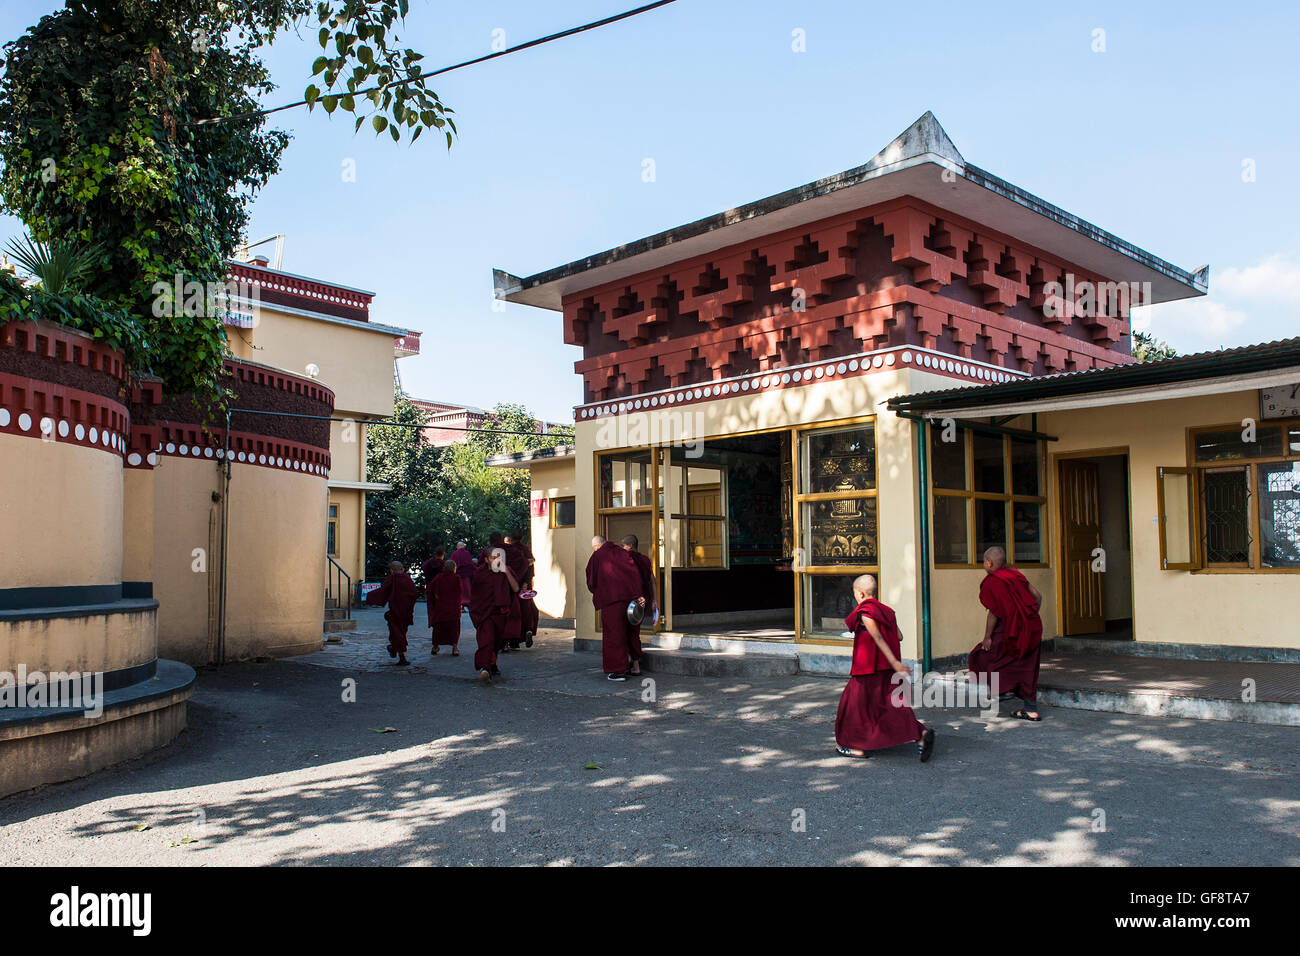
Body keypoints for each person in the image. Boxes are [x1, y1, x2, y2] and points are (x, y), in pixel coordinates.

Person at [835, 574, 935, 761]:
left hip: (868, 668)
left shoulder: (866, 612)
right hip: (886, 669)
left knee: (853, 707)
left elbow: (878, 638)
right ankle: (920, 735)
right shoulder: (886, 611)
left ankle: (856, 747)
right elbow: (898, 636)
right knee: (890, 706)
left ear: (861, 593)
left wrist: (895, 663)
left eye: (855, 593)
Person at [968, 545, 1045, 721]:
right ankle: (1030, 709)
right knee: (1028, 666)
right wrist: (1028, 617)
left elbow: (994, 612)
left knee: (984, 655)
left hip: (1010, 627)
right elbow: (1037, 596)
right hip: (1031, 626)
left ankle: (1003, 689)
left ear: (988, 563)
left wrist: (987, 637)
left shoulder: (993, 581)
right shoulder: (1015, 574)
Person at [585, 534, 649, 681]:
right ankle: (633, 666)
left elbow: (591, 581)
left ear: (597, 546)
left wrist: (599, 592)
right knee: (630, 632)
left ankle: (618, 671)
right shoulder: (622, 552)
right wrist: (638, 594)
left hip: (611, 601)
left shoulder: (597, 556)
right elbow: (634, 573)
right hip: (629, 600)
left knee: (614, 636)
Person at [468, 547, 518, 682]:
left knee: (496, 642)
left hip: (500, 613)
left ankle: (492, 663)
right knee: (486, 640)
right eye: (493, 557)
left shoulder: (505, 571)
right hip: (484, 613)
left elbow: (516, 588)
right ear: (486, 560)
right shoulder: (480, 574)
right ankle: (485, 668)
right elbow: (476, 596)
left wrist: (507, 572)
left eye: (498, 557)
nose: (497, 560)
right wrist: (475, 612)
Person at [365, 560, 418, 667]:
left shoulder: (392, 579)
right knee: (400, 634)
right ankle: (400, 655)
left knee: (397, 634)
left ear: (391, 571)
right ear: (402, 569)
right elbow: (414, 593)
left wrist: (369, 596)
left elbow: (383, 591)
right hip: (405, 612)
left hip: (396, 611)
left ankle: (394, 649)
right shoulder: (408, 579)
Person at [620, 534, 658, 677]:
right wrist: (654, 599)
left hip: (631, 599)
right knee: (634, 632)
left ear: (630, 546)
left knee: (627, 632)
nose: (622, 548)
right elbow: (652, 580)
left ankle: (633, 664)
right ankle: (634, 663)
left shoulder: (627, 559)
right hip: (643, 600)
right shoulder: (645, 560)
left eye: (623, 545)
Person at [503, 531, 538, 649]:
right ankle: (528, 629)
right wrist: (526, 583)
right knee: (527, 609)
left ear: (511, 540)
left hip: (511, 585)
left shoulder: (510, 551)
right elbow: (530, 566)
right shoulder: (525, 549)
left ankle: (512, 641)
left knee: (513, 612)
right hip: (525, 586)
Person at [426, 559, 463, 656]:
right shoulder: (457, 578)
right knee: (454, 628)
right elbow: (460, 591)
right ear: (454, 568)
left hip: (440, 608)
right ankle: (455, 648)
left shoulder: (438, 577)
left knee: (438, 629)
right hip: (453, 608)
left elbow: (429, 590)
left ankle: (435, 647)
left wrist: (435, 599)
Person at [450, 540, 475, 607]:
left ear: (458, 546)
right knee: (466, 589)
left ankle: (459, 602)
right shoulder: (467, 553)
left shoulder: (454, 553)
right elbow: (471, 565)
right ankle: (467, 602)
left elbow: (451, 565)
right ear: (463, 546)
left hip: (457, 575)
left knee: (459, 590)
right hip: (466, 575)